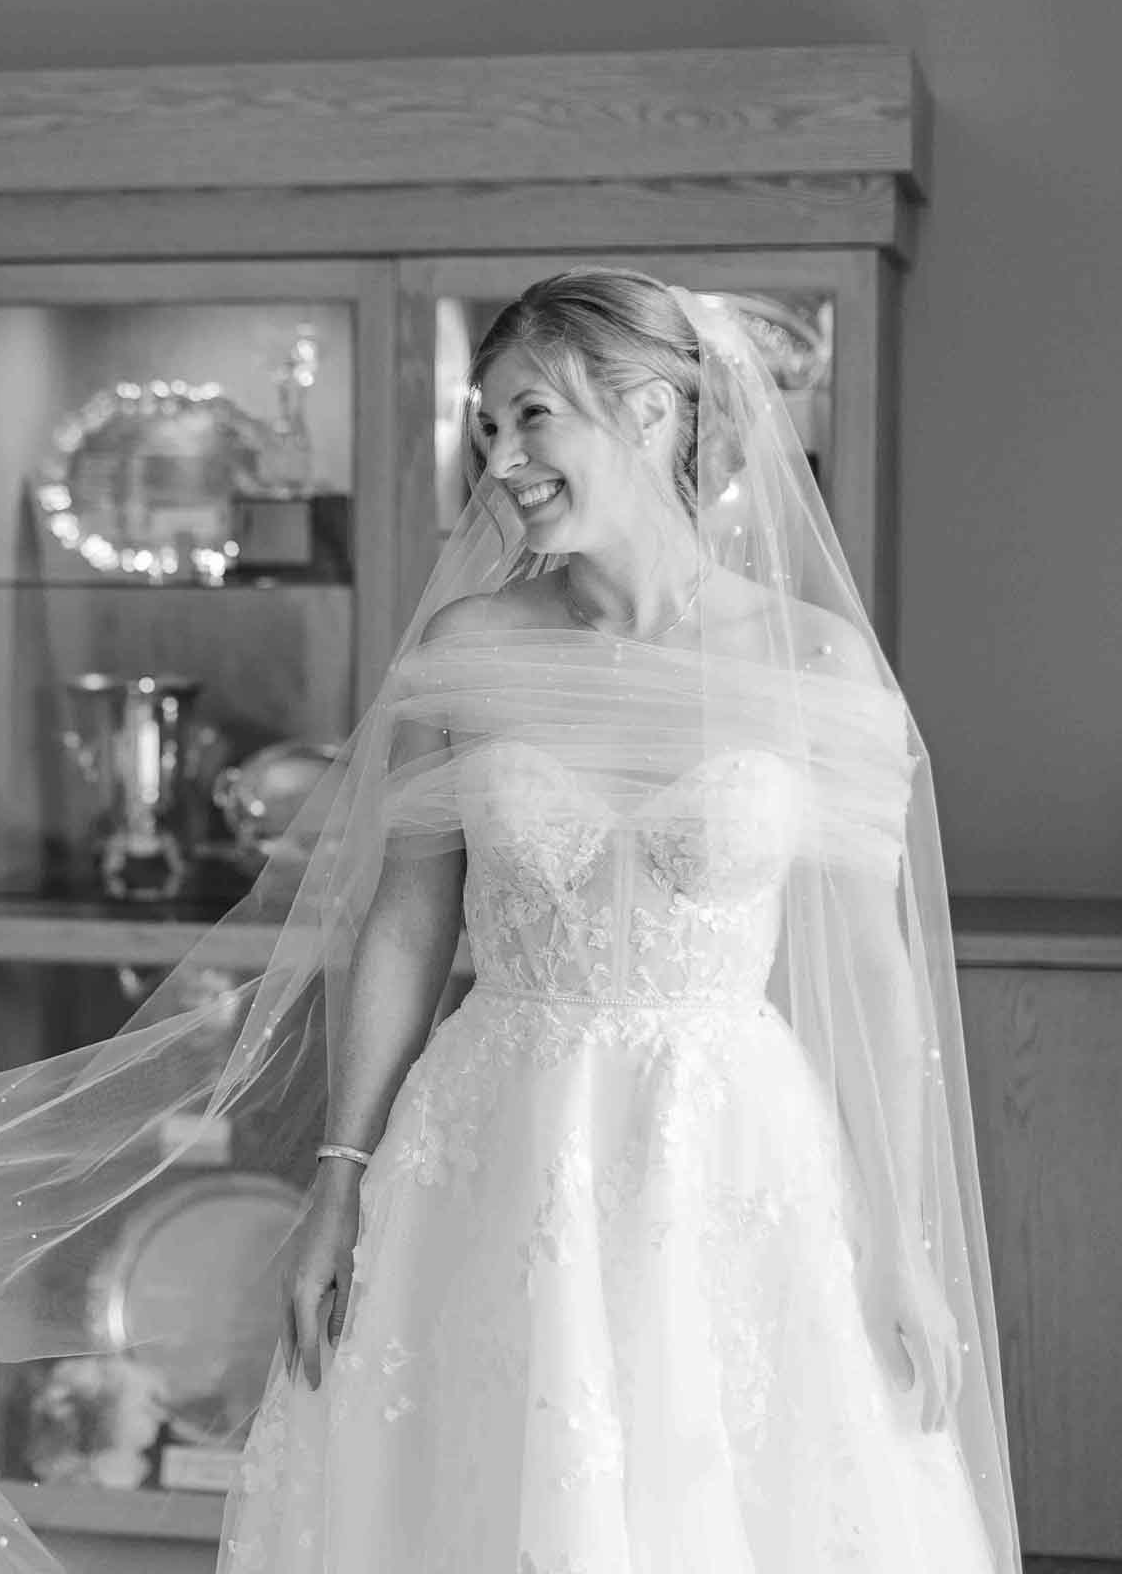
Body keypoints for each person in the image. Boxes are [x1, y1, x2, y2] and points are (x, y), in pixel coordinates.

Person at [215, 269, 1018, 1570]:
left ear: (648, 412)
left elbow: (875, 973)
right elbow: (407, 926)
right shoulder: (469, 648)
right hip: (498, 1144)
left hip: (730, 1157)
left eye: (533, 418)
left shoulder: (811, 662)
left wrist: (905, 1239)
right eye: (487, 429)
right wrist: (337, 1183)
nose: (501, 463)